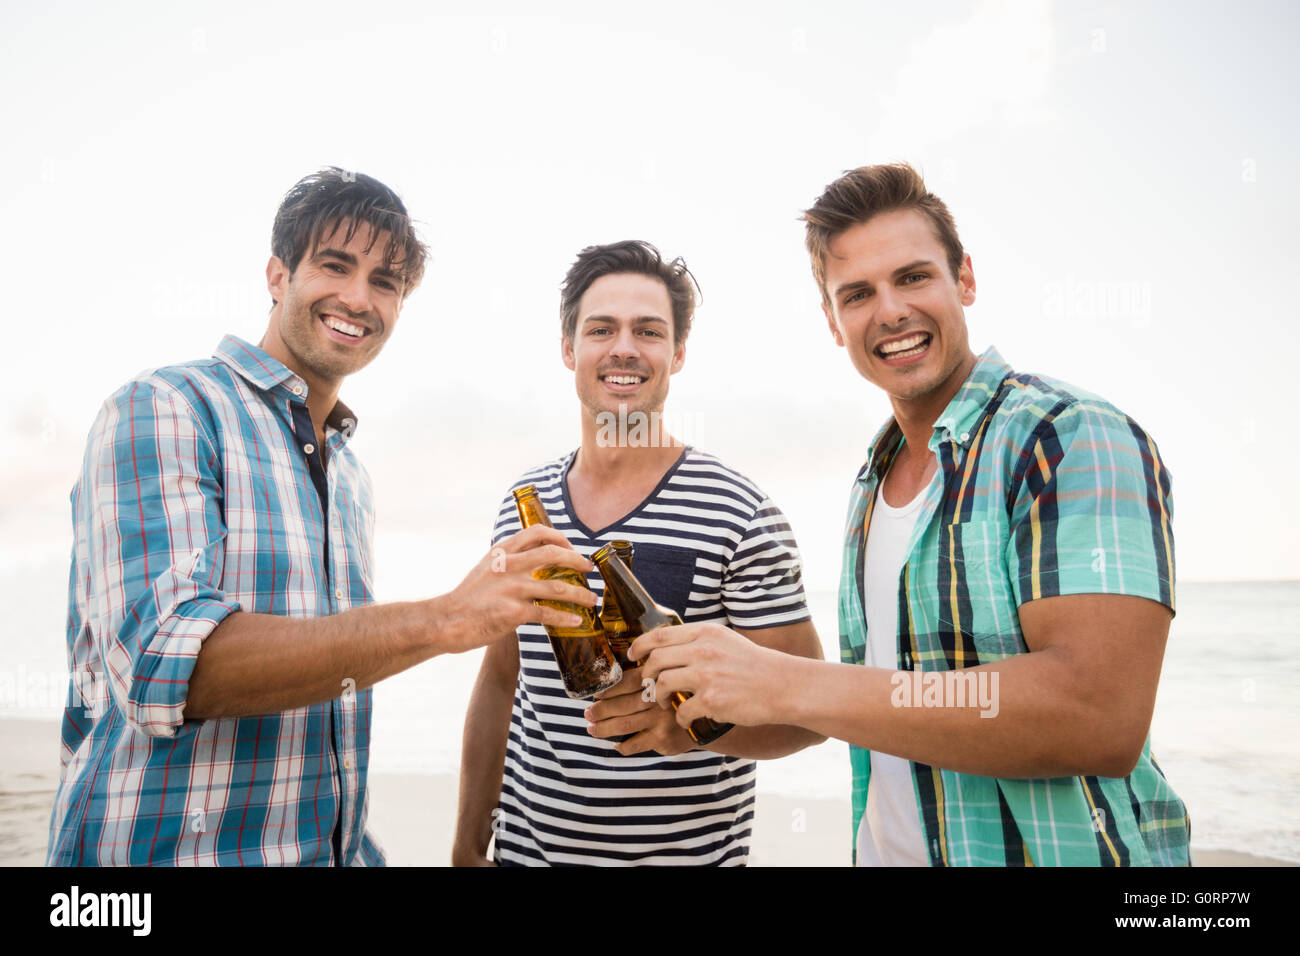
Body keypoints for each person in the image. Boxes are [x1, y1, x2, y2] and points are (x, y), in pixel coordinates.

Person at [635, 163, 1191, 866]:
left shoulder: (1068, 434)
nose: (890, 311)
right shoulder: (874, 477)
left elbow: (1099, 715)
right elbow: (874, 706)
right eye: (858, 294)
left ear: (965, 279)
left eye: (914, 277)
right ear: (833, 323)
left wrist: (790, 681)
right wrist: (700, 722)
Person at [48, 167, 598, 866]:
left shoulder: (350, 477)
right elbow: (164, 664)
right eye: (335, 266)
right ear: (278, 275)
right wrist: (448, 618)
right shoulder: (168, 406)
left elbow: (325, 714)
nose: (357, 298)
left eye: (385, 282)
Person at [452, 240, 825, 866]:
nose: (623, 347)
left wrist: (702, 727)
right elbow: (499, 681)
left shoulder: (743, 514)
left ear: (676, 354)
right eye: (602, 328)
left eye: (648, 331)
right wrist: (466, 847)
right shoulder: (522, 506)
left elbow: (811, 711)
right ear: (569, 348)